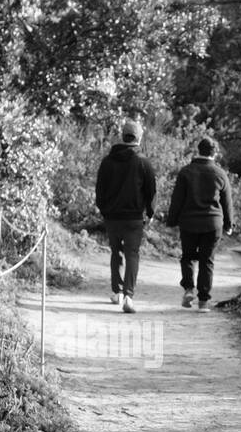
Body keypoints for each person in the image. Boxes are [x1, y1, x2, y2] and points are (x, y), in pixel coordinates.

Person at [95, 118, 156, 314]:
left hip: (112, 217)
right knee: (132, 254)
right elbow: (151, 191)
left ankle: (116, 292)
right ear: (139, 138)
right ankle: (129, 295)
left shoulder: (107, 161)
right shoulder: (143, 162)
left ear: (123, 137)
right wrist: (151, 212)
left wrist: (104, 210)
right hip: (134, 217)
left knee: (115, 253)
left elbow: (100, 190)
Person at [166, 136, 233, 309]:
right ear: (214, 153)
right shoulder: (220, 174)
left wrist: (172, 220)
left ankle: (189, 289)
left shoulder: (186, 172)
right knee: (207, 260)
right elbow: (227, 202)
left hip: (189, 223)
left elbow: (177, 199)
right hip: (212, 224)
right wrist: (228, 225)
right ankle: (203, 300)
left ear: (199, 150)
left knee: (188, 256)